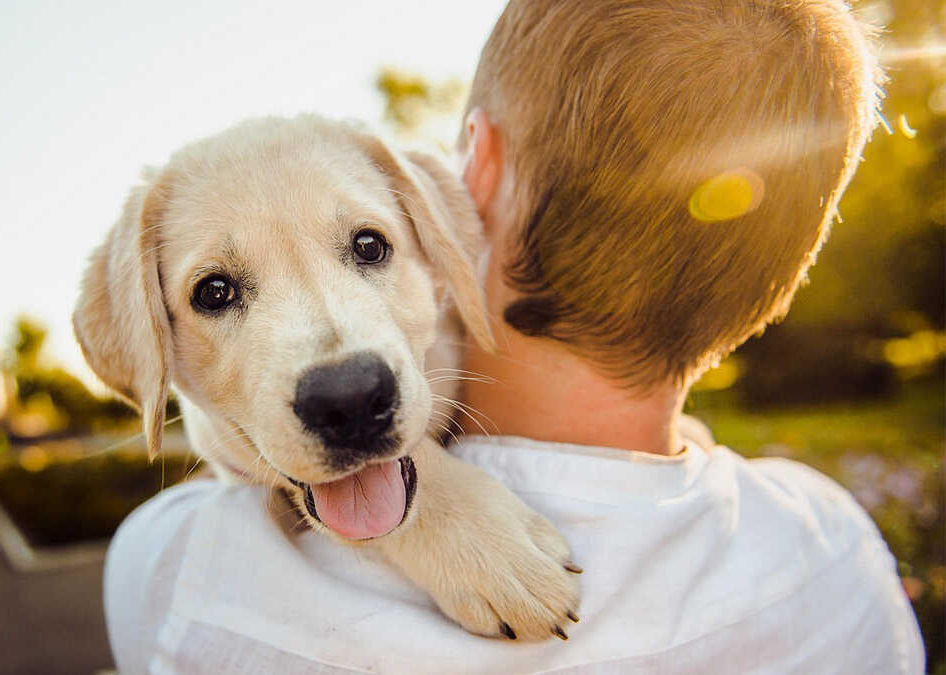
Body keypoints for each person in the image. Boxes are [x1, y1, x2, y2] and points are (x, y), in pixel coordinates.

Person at [103, 0, 925, 672]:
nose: (341, 369)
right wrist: (429, 504)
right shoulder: (837, 551)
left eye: (367, 248)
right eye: (218, 292)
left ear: (473, 175)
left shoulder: (178, 576)